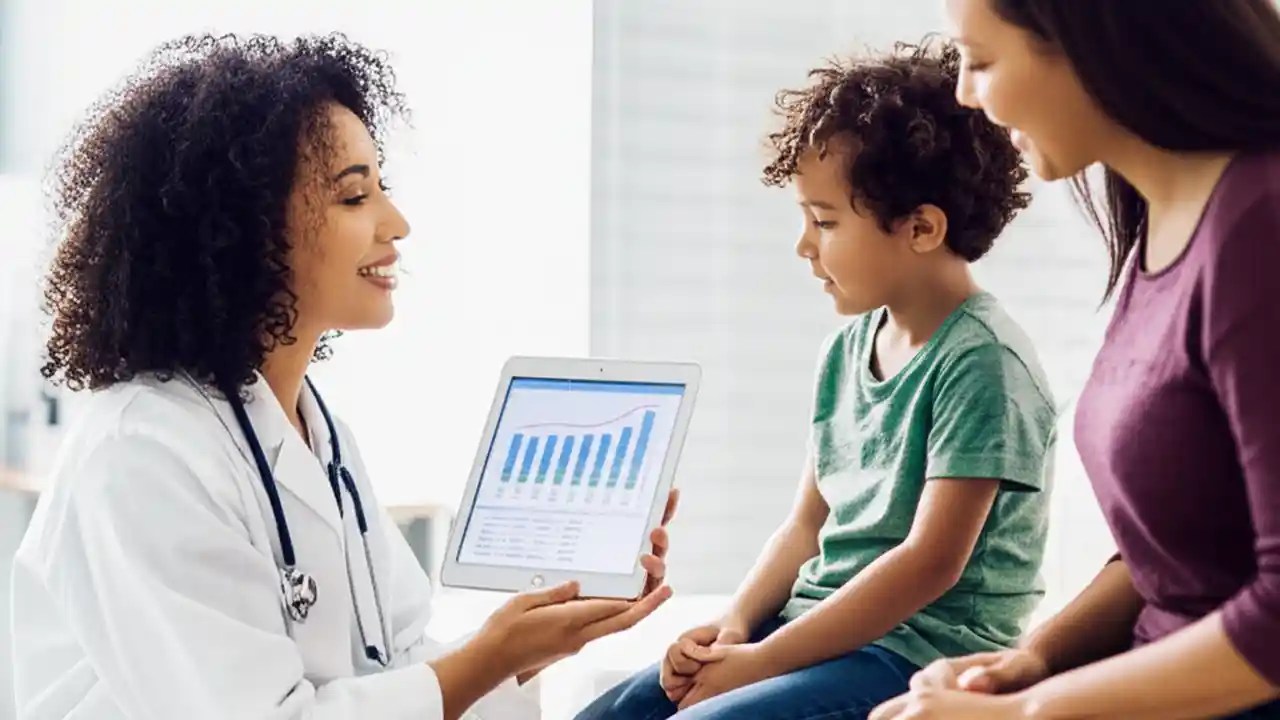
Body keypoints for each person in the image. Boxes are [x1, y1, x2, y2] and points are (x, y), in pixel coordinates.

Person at [10, 33, 675, 720]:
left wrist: (537, 639)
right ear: (244, 227)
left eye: (382, 189)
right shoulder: (142, 452)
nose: (397, 224)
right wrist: (494, 655)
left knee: (666, 695)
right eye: (355, 197)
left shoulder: (315, 434)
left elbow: (401, 665)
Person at [575, 39, 1056, 720]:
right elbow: (805, 525)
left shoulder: (984, 363)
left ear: (921, 228)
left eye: (824, 221)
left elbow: (929, 563)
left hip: (915, 655)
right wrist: (734, 628)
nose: (803, 246)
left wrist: (763, 663)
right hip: (815, 632)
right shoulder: (846, 350)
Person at [871, 2, 1280, 719]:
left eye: (982, 59)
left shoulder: (1261, 228)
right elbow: (1177, 561)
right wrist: (1034, 661)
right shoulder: (1166, 222)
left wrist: (1027, 713)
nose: (966, 92)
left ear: (1091, 42)